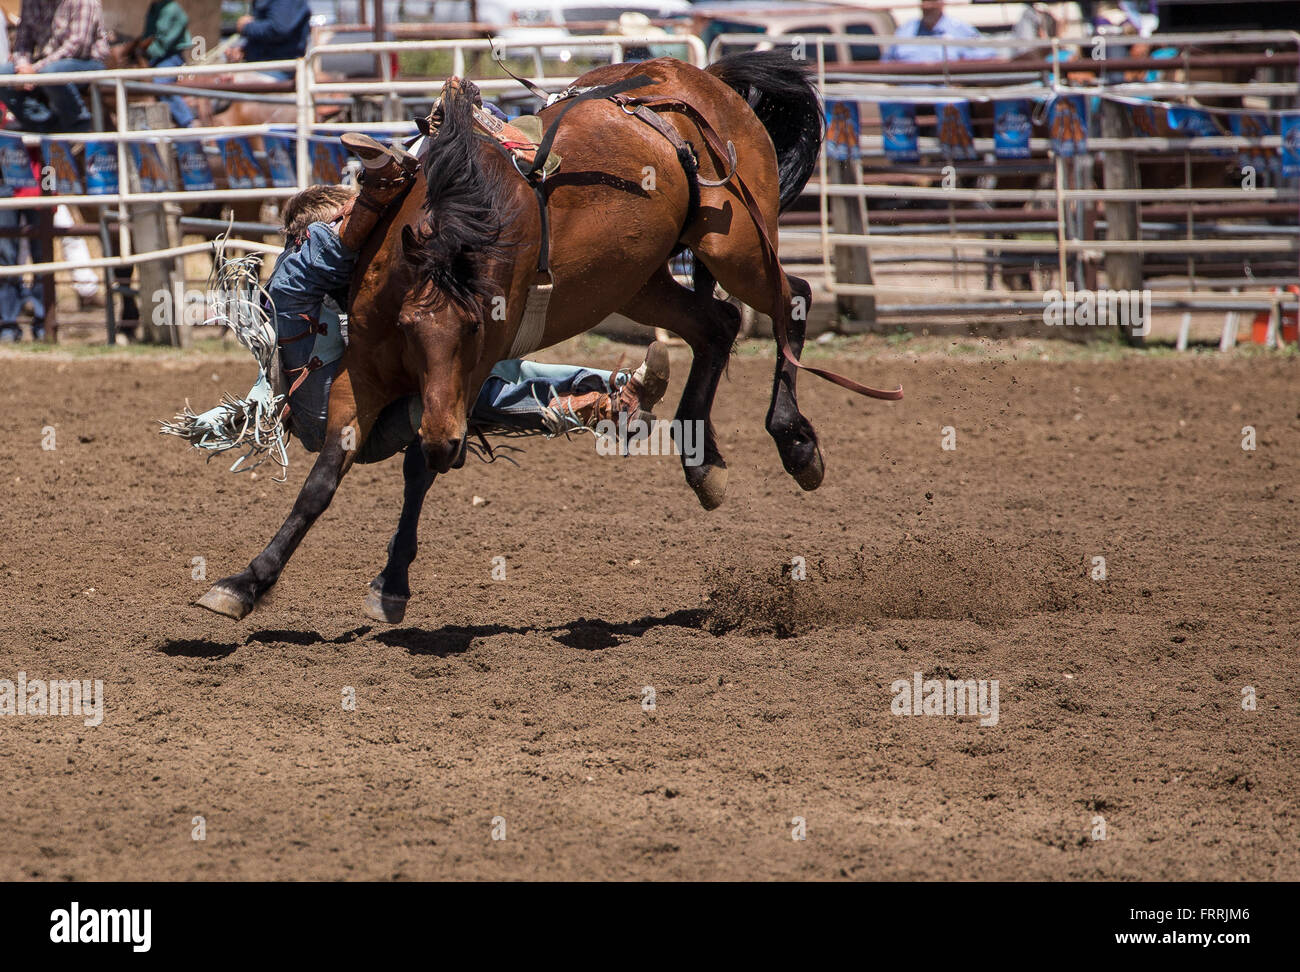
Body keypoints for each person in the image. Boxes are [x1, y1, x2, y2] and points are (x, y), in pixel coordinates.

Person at [267, 133, 669, 458]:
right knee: (478, 388)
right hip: (351, 424)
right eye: (347, 220)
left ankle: (614, 389)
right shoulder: (296, 286)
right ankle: (597, 406)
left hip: (369, 404)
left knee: (495, 372)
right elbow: (293, 297)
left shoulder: (330, 301)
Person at [0, 0, 110, 133]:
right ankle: (43, 125)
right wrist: (22, 66)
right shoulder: (30, 2)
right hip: (46, 64)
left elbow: (78, 46)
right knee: (3, 74)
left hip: (86, 61)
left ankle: (79, 125)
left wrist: (33, 70)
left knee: (51, 73)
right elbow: (22, 42)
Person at [141, 0, 196, 129]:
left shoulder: (172, 9)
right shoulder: (154, 8)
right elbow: (148, 36)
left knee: (161, 82)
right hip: (155, 57)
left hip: (171, 57)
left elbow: (165, 43)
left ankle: (187, 122)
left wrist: (145, 49)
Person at [884, 1, 995, 63]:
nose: (928, 6)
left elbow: (987, 53)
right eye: (925, 1)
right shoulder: (906, 30)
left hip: (945, 90)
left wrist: (963, 59)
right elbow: (887, 61)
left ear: (941, 3)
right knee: (890, 104)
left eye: (932, 1)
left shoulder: (958, 28)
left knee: (951, 104)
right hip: (909, 91)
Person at [230, 0, 310, 82]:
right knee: (223, 79)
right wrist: (244, 50)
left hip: (277, 71)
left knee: (225, 82)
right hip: (266, 68)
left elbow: (279, 29)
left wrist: (246, 27)